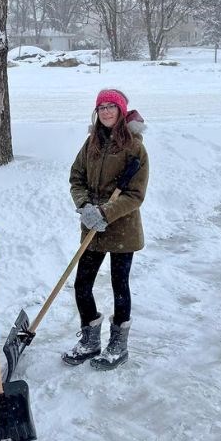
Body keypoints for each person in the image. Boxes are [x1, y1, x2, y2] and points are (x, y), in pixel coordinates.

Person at [62, 88, 149, 371]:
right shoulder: (92, 143)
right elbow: (76, 177)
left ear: (121, 111)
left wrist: (105, 212)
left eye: (112, 106)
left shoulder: (135, 147)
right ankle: (90, 340)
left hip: (123, 228)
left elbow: (135, 195)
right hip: (92, 226)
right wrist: (85, 206)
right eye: (102, 107)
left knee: (119, 286)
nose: (107, 112)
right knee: (82, 284)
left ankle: (118, 346)